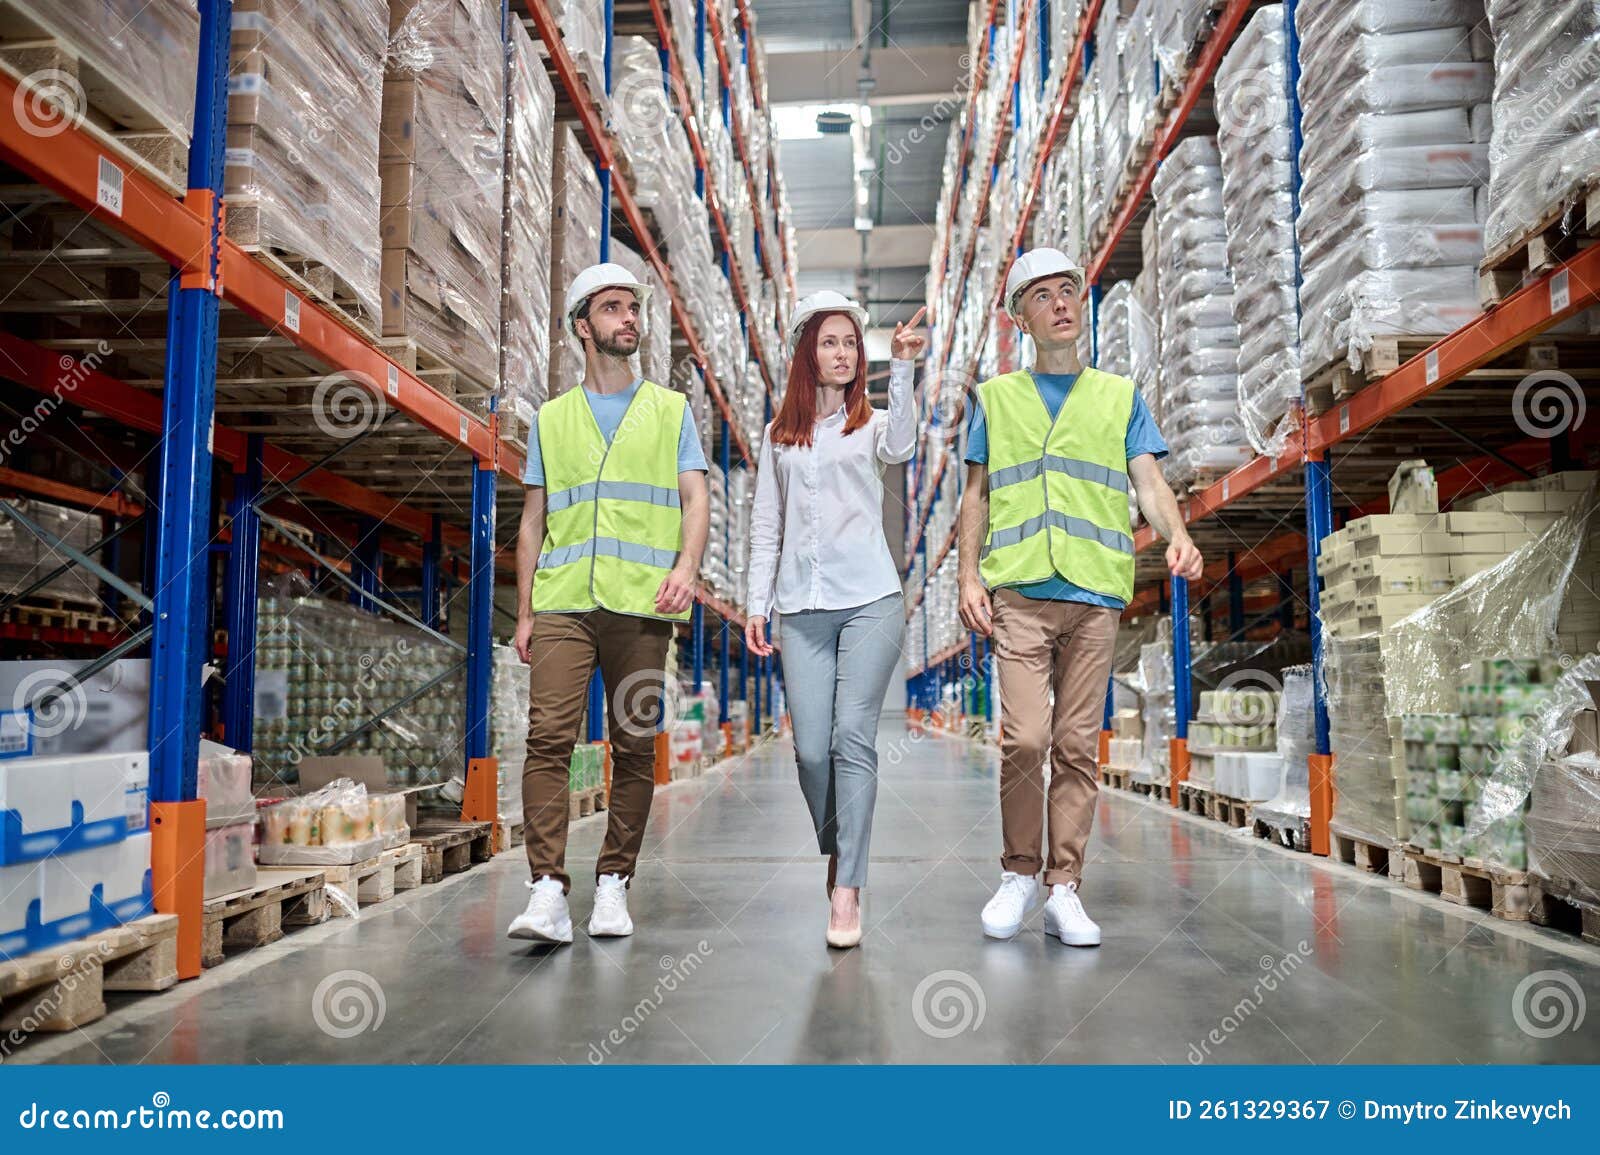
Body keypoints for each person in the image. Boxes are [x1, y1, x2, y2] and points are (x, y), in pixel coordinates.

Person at [957, 247, 1203, 948]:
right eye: (1043, 295)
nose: (1061, 302)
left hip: (1095, 591)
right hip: (1022, 592)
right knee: (1025, 738)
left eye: (1069, 290)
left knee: (1073, 745)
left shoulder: (1119, 396)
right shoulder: (995, 399)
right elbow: (976, 494)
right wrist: (968, 576)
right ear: (1021, 319)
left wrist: (1177, 536)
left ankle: (1065, 887)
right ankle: (1018, 872)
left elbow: (1149, 482)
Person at [505, 262, 710, 946]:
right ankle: (547, 890)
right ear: (581, 327)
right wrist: (527, 612)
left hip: (644, 604)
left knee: (632, 742)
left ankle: (614, 882)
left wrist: (687, 566)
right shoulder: (552, 419)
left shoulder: (671, 409)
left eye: (633, 308)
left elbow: (695, 498)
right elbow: (533, 518)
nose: (630, 318)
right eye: (614, 308)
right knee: (547, 738)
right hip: (565, 601)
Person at [745, 291, 926, 949]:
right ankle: (840, 842)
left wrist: (902, 366)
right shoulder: (777, 435)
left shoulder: (871, 424)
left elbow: (904, 446)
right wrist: (754, 602)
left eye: (851, 342)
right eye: (830, 341)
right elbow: (767, 523)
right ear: (806, 352)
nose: (843, 352)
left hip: (872, 598)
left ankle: (847, 888)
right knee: (809, 748)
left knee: (853, 735)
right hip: (800, 608)